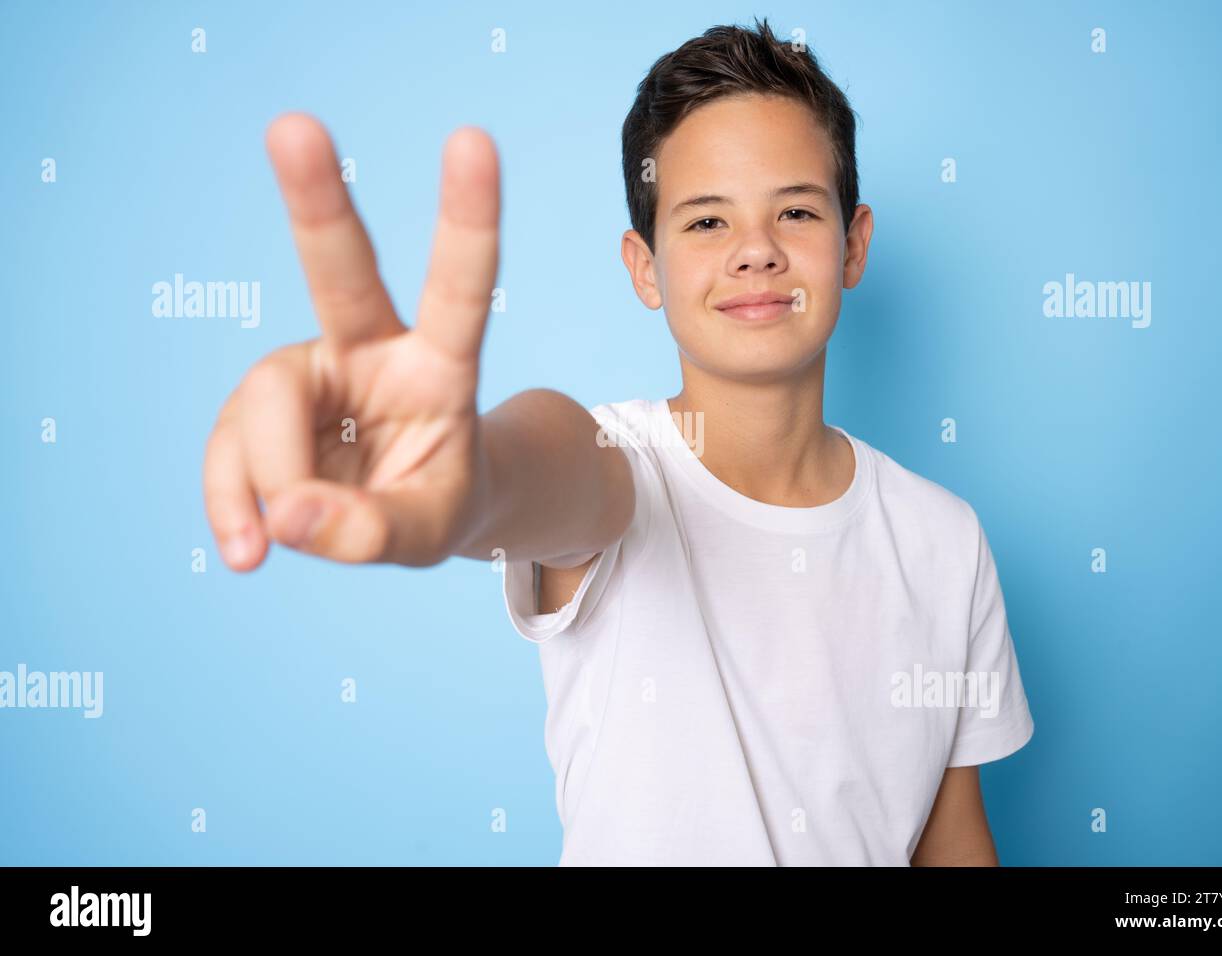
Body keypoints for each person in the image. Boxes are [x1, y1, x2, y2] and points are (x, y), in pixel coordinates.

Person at [202, 17, 1033, 866]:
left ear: (853, 245)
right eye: (707, 223)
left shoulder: (945, 540)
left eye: (795, 210)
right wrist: (461, 476)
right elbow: (542, 470)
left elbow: (953, 840)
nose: (756, 252)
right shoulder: (615, 468)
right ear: (645, 268)